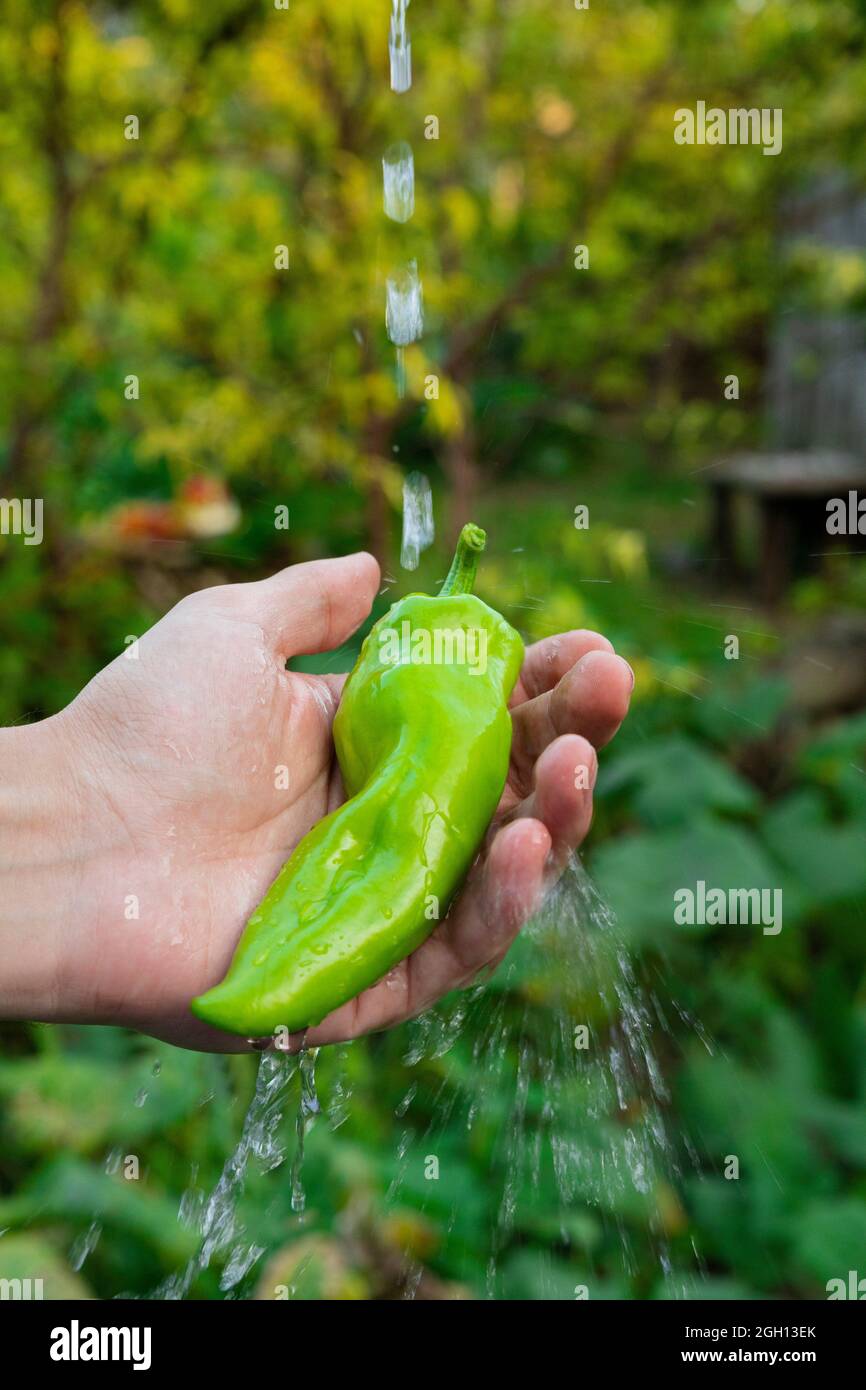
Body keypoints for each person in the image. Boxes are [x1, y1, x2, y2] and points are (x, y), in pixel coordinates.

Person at [0, 550, 632, 1052]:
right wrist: (88, 798)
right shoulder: (447, 670)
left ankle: (255, 986)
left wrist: (74, 821)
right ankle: (253, 986)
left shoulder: (419, 658)